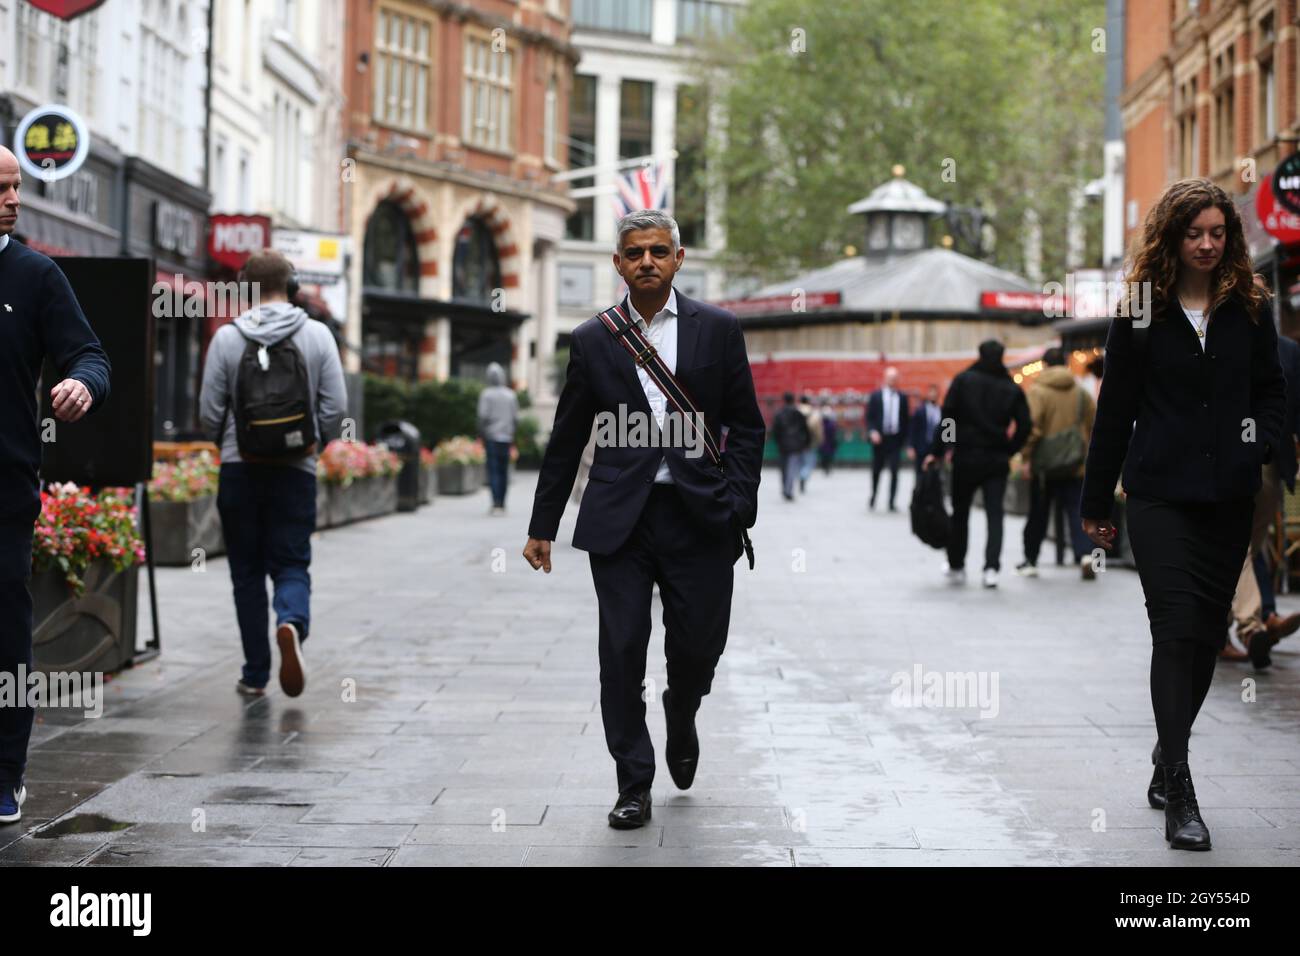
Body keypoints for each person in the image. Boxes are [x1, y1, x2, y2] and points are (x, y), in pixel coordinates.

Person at [522, 209, 764, 830]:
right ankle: (634, 782)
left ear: (679, 259)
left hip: (701, 518)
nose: (647, 262)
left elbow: (747, 425)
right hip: (619, 523)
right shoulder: (593, 338)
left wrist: (738, 503)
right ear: (618, 264)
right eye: (635, 253)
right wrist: (542, 524)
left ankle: (682, 708)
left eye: (659, 251)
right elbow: (567, 435)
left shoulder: (718, 330)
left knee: (697, 649)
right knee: (622, 651)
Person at [1081, 178, 1285, 852]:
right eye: (1193, 233)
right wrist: (1095, 501)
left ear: (1230, 238)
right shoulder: (1141, 309)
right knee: (1174, 631)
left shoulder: (1250, 306)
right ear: (1171, 237)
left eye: (1216, 233)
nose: (1205, 244)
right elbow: (1114, 411)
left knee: (1202, 637)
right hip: (1159, 496)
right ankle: (1181, 786)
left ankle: (1163, 754)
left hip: (1229, 497)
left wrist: (1264, 448)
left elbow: (1271, 393)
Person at [0, 145, 112, 825]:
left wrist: (81, 384)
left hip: (4, 489)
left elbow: (89, 353)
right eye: (2, 188)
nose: (15, 199)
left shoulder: (35, 276)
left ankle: (5, 771)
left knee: (5, 633)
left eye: (16, 186)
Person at [199, 249, 348, 699]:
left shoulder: (227, 338)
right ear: (294, 285)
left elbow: (209, 412)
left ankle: (255, 673)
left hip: (239, 469)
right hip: (295, 470)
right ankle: (289, 621)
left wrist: (226, 443)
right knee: (291, 562)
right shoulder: (319, 335)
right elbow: (337, 408)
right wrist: (311, 443)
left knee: (245, 572)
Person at [922, 340, 1031, 588]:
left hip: (965, 457)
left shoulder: (963, 380)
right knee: (995, 514)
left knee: (961, 513)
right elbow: (1025, 425)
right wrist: (1009, 448)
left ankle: (957, 564)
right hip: (996, 460)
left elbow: (948, 418)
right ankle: (991, 568)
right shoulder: (1010, 386)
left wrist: (941, 450)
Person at [1016, 347, 1097, 580]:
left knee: (1038, 514)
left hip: (1044, 466)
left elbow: (1033, 427)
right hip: (1075, 463)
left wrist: (1026, 457)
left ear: (1045, 365)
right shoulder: (1080, 391)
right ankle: (1085, 555)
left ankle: (1030, 561)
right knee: (1076, 511)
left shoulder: (1038, 391)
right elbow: (1092, 421)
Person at [478, 361, 519, 514]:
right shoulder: (511, 395)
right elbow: (516, 419)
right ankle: (502, 503)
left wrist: (481, 434)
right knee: (503, 471)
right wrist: (512, 435)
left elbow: (482, 417)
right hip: (506, 438)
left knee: (494, 470)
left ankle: (496, 503)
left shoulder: (486, 395)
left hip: (492, 437)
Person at [867, 367, 908, 511]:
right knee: (876, 470)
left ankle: (891, 501)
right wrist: (873, 432)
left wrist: (907, 442)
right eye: (890, 377)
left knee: (895, 471)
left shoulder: (902, 397)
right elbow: (870, 417)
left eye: (895, 377)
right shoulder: (876, 396)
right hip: (880, 439)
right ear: (885, 378)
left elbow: (905, 420)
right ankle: (873, 496)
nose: (892, 380)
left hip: (895, 440)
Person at [771, 392, 810, 501]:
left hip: (783, 445)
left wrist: (778, 442)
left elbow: (775, 431)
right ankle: (788, 490)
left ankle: (785, 488)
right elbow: (805, 430)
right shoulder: (798, 413)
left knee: (784, 468)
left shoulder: (779, 414)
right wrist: (806, 443)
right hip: (795, 445)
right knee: (792, 468)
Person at [908, 384, 942, 477]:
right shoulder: (920, 411)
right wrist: (911, 446)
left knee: (936, 477)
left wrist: (949, 449)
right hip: (922, 448)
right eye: (931, 392)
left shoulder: (942, 411)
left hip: (937, 449)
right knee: (920, 476)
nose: (933, 395)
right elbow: (913, 430)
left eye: (935, 393)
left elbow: (948, 432)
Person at [796, 393, 823, 493]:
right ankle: (803, 476)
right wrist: (820, 440)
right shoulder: (813, 413)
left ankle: (799, 476)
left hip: (796, 442)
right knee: (809, 463)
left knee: (799, 462)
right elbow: (817, 429)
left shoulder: (795, 411)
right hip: (810, 442)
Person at [817, 403, 839, 475]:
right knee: (828, 456)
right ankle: (827, 467)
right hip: (828, 442)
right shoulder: (830, 424)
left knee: (825, 456)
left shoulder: (821, 423)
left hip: (824, 442)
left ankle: (826, 467)